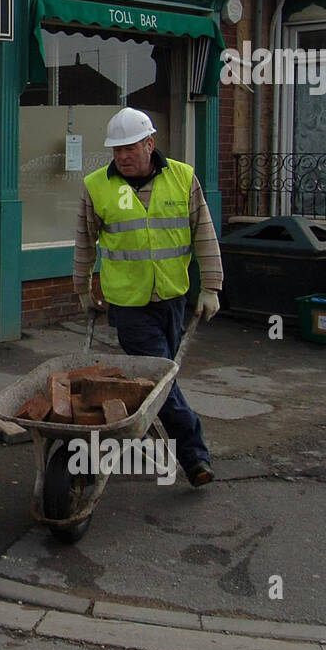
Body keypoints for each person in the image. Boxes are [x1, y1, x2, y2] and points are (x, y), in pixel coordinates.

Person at [72, 108, 222, 488]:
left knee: (163, 378)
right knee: (160, 379)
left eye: (130, 147)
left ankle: (135, 436)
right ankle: (194, 456)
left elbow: (203, 233)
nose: (122, 156)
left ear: (149, 144)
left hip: (173, 298)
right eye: (116, 149)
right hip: (129, 304)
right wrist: (82, 288)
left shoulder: (182, 178)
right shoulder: (96, 186)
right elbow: (85, 243)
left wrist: (211, 287)